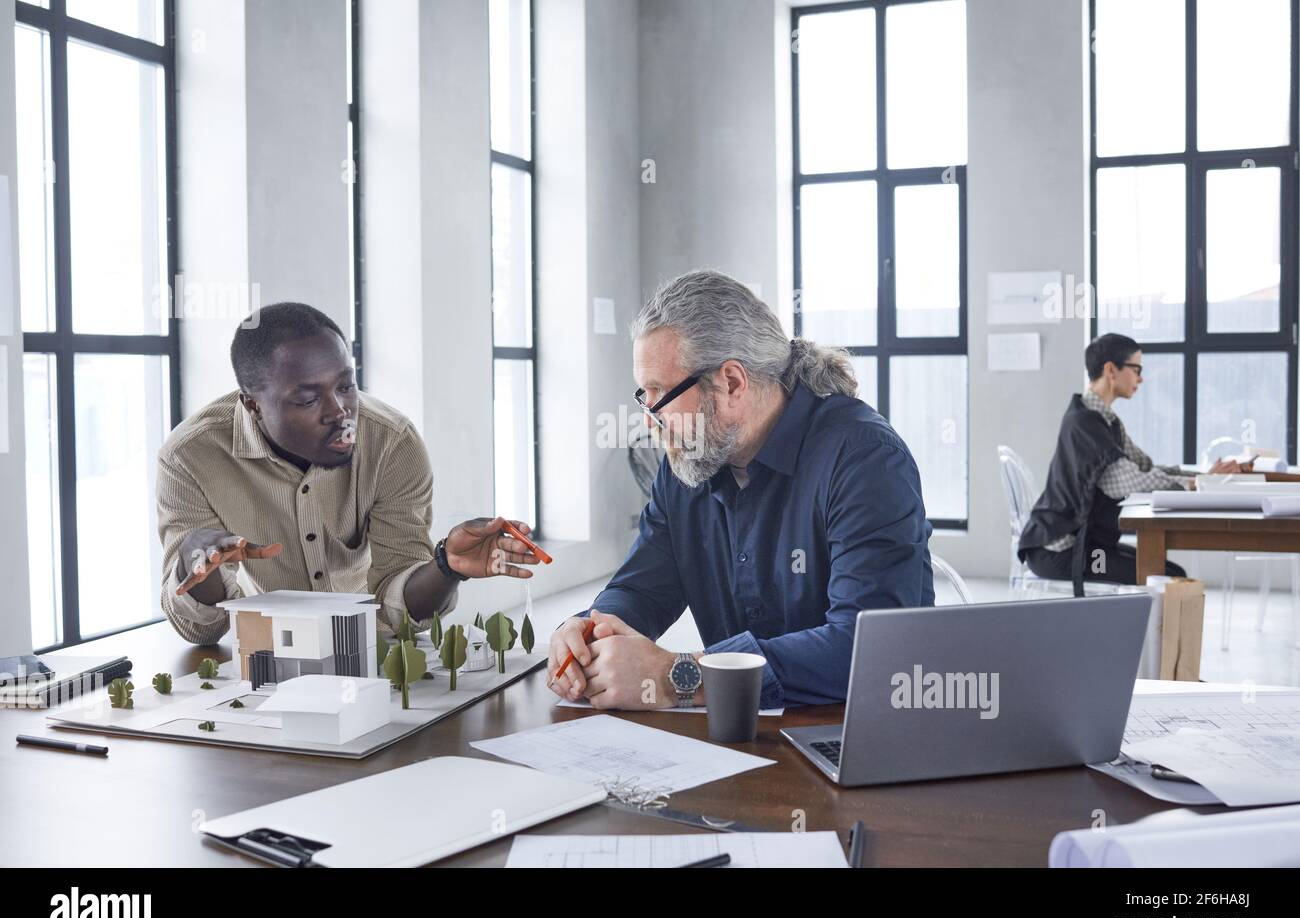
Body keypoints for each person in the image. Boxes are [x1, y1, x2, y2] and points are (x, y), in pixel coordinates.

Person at [547, 270, 934, 711]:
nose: (649, 417)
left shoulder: (865, 458)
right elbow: (642, 589)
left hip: (855, 733)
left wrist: (677, 675)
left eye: (661, 395)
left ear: (731, 382)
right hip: (741, 737)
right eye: (644, 395)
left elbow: (868, 648)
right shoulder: (688, 462)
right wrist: (587, 630)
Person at [156, 302, 538, 644]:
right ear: (253, 405)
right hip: (269, 649)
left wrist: (446, 566)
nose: (339, 411)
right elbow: (202, 630)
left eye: (346, 385)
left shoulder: (392, 442)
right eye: (307, 399)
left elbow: (402, 610)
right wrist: (194, 566)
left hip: (371, 645)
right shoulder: (189, 457)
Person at [1018, 333, 1240, 590]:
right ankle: (1134, 631)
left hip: (1087, 545)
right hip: (1061, 551)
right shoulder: (1084, 423)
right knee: (1166, 579)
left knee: (1171, 572)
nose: (1141, 378)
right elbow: (1126, 481)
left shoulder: (1106, 420)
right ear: (1111, 370)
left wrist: (1199, 475)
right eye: (1136, 369)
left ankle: (1142, 631)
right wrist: (1194, 484)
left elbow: (1144, 466)